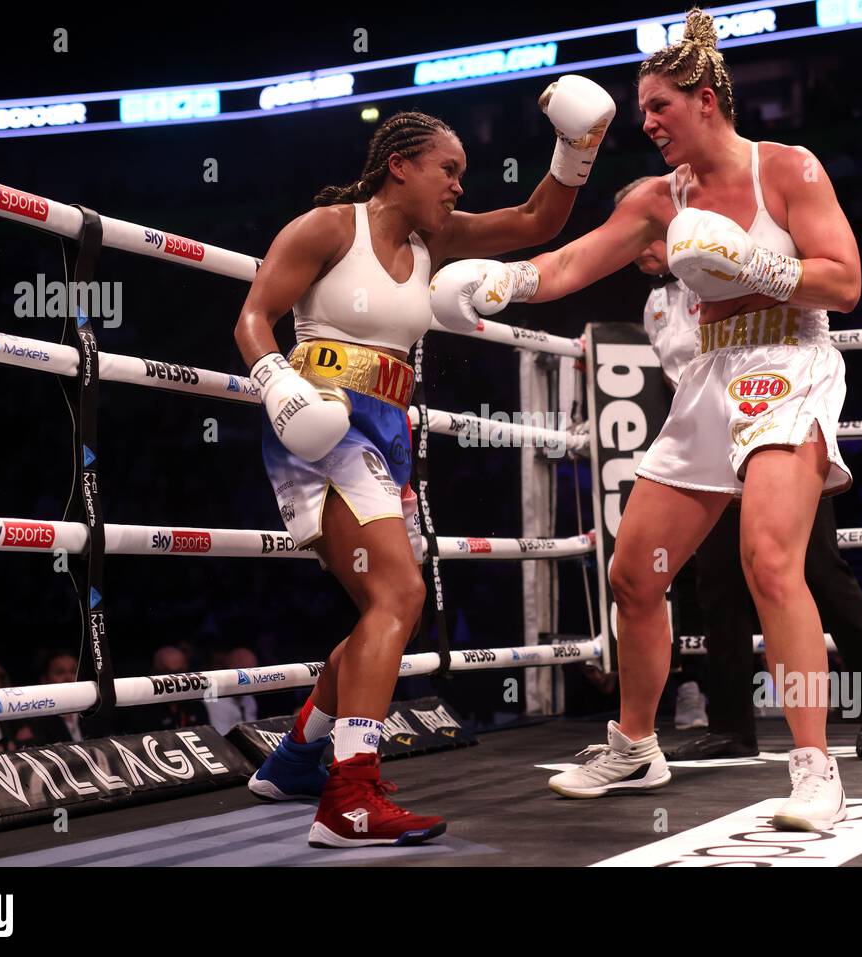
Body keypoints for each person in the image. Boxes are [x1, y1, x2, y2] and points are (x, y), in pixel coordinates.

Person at [432, 9, 860, 830]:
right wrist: (502, 286)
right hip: (708, 377)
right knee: (634, 575)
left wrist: (756, 264)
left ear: (705, 99)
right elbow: (567, 264)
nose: (648, 123)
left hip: (791, 362)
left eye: (660, 106)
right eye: (643, 110)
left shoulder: (790, 171)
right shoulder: (654, 199)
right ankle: (634, 742)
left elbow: (843, 284)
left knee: (770, 560)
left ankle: (814, 769)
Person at [236, 84, 616, 848]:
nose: (458, 184)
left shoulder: (432, 245)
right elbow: (252, 317)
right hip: (324, 418)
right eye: (448, 168)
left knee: (388, 604)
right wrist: (276, 383)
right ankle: (349, 796)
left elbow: (538, 220)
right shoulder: (326, 226)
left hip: (389, 431)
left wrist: (579, 147)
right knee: (400, 593)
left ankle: (297, 755)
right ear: (400, 166)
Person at [617, 176, 862, 761]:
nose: (641, 246)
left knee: (814, 568)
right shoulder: (655, 306)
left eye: (649, 233)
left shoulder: (736, 238)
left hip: (779, 411)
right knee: (718, 581)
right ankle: (732, 724)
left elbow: (826, 295)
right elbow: (685, 375)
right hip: (708, 434)